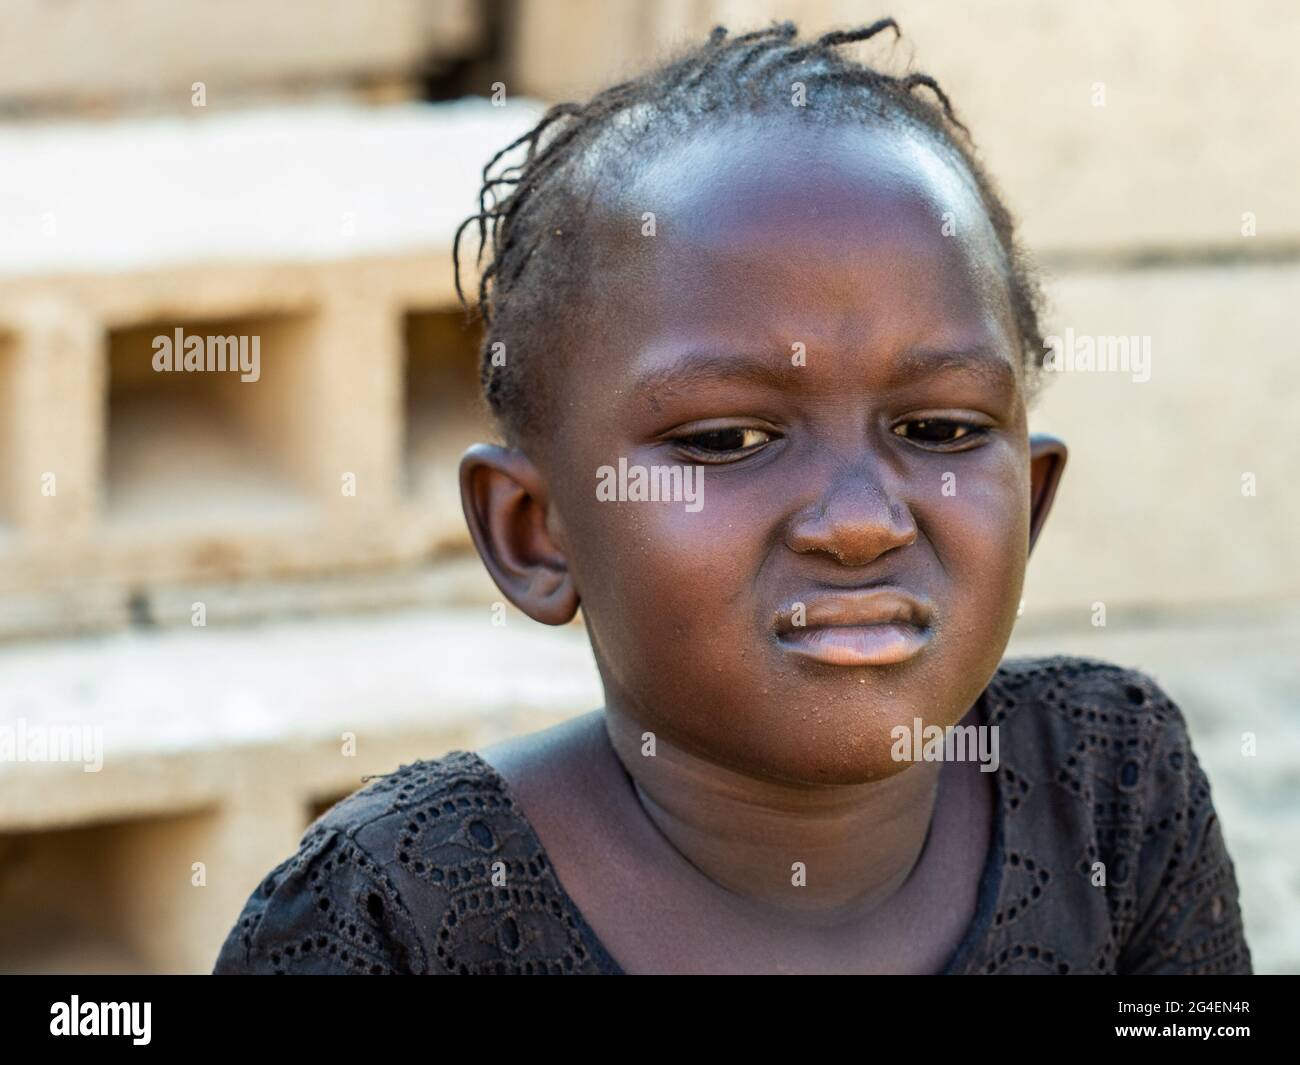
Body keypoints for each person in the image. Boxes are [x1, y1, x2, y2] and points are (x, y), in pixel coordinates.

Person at [213, 18, 1251, 975]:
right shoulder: (400, 915)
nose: (859, 522)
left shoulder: (1109, 789)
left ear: (1029, 501)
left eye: (938, 430)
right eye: (726, 440)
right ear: (536, 533)